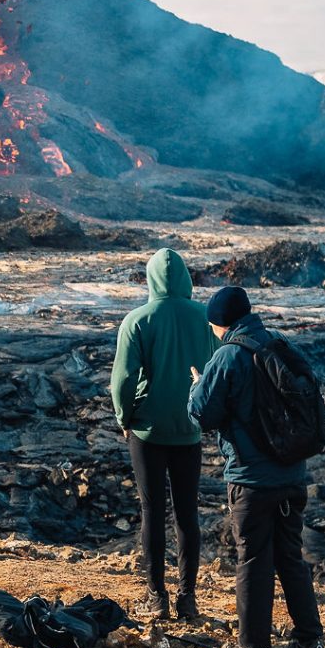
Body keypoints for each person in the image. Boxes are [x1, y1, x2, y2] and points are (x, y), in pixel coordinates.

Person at [188, 284, 325, 648]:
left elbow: (201, 415)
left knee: (252, 559)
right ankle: (310, 640)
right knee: (290, 556)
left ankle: (253, 646)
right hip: (292, 474)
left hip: (251, 480)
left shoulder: (228, 356)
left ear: (221, 322)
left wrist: (197, 387)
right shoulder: (279, 343)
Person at [109, 248, 218, 623]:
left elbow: (122, 379)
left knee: (152, 512)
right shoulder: (206, 318)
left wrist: (124, 417)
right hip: (190, 429)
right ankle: (188, 599)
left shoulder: (137, 320)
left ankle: (157, 597)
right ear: (186, 278)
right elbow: (218, 369)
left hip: (148, 431)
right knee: (188, 515)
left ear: (151, 278)